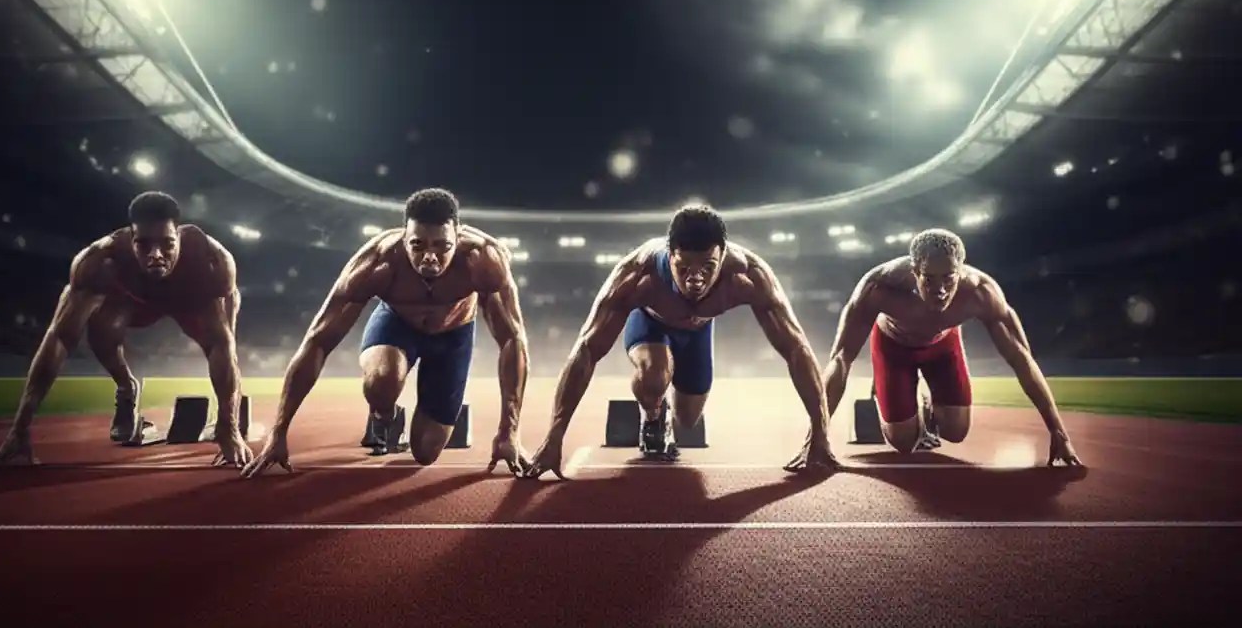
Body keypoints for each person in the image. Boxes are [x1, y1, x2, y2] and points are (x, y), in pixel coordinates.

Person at [521, 204, 836, 480]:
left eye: (707, 269)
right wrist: (554, 437)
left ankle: (670, 417)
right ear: (670, 254)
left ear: (723, 255)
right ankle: (653, 417)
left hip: (698, 333)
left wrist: (820, 434)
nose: (695, 280)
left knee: (687, 419)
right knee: (655, 377)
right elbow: (587, 349)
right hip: (651, 326)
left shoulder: (748, 277)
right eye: (684, 268)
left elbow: (796, 348)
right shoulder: (638, 277)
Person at [241, 188, 530, 477]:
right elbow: (318, 340)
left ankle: (414, 419)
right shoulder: (378, 263)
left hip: (453, 335)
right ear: (403, 237)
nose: (430, 257)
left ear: (458, 237)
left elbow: (512, 340)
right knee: (382, 381)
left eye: (442, 246)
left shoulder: (483, 262)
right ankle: (383, 412)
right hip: (397, 324)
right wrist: (278, 432)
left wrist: (509, 432)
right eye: (418, 245)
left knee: (426, 452)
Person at [0, 191, 252, 468]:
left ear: (180, 238)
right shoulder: (99, 261)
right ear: (130, 238)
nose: (156, 255)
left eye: (167, 244)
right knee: (99, 332)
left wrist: (229, 426)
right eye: (143, 245)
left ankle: (229, 415)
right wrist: (21, 425)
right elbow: (59, 339)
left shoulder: (212, 261)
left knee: (223, 343)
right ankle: (127, 388)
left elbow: (223, 345)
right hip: (132, 301)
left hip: (189, 298)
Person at [792, 227, 1082, 470]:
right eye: (929, 279)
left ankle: (928, 403)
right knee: (904, 443)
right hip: (894, 349)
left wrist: (1058, 431)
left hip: (942, 347)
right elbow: (841, 359)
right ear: (914, 270)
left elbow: (1022, 358)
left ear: (960, 270)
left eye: (949, 278)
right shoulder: (879, 288)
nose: (940, 290)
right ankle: (893, 398)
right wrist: (817, 434)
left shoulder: (981, 293)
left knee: (956, 432)